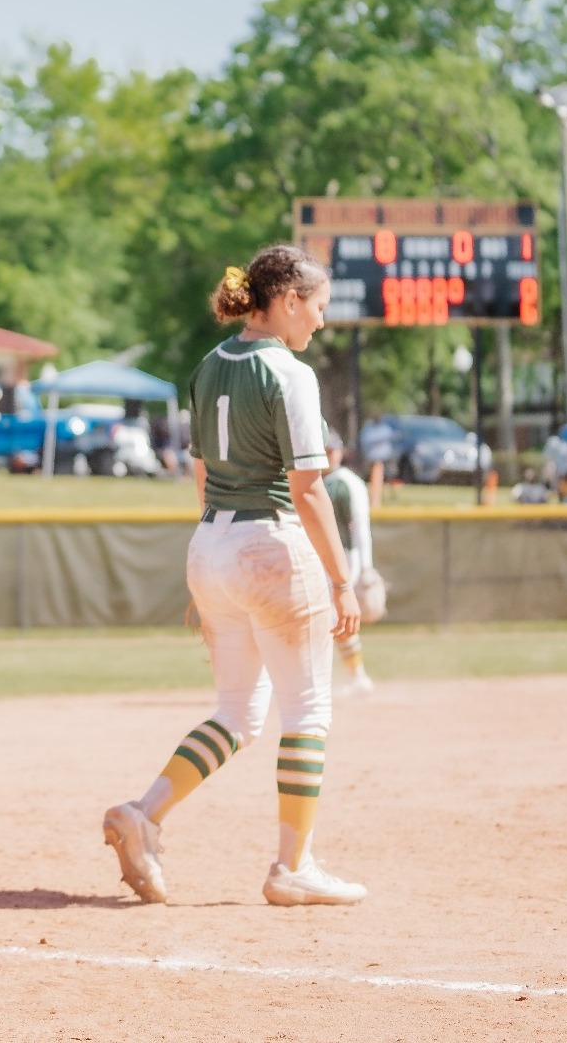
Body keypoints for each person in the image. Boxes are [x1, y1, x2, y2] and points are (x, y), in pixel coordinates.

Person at [102, 245, 366, 909]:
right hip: (269, 542)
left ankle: (143, 814)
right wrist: (342, 580)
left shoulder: (208, 366)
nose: (321, 321)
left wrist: (219, 568)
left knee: (238, 713)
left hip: (212, 542)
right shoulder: (290, 373)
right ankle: (293, 867)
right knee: (307, 711)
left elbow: (201, 475)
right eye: (318, 306)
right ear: (287, 301)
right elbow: (308, 488)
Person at [322, 430, 377, 694]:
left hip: (345, 556)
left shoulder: (345, 482)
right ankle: (353, 676)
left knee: (335, 616)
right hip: (322, 557)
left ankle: (358, 676)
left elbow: (360, 527)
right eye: (325, 449)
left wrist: (366, 566)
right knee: (327, 617)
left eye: (333, 449)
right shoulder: (317, 481)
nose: (329, 454)